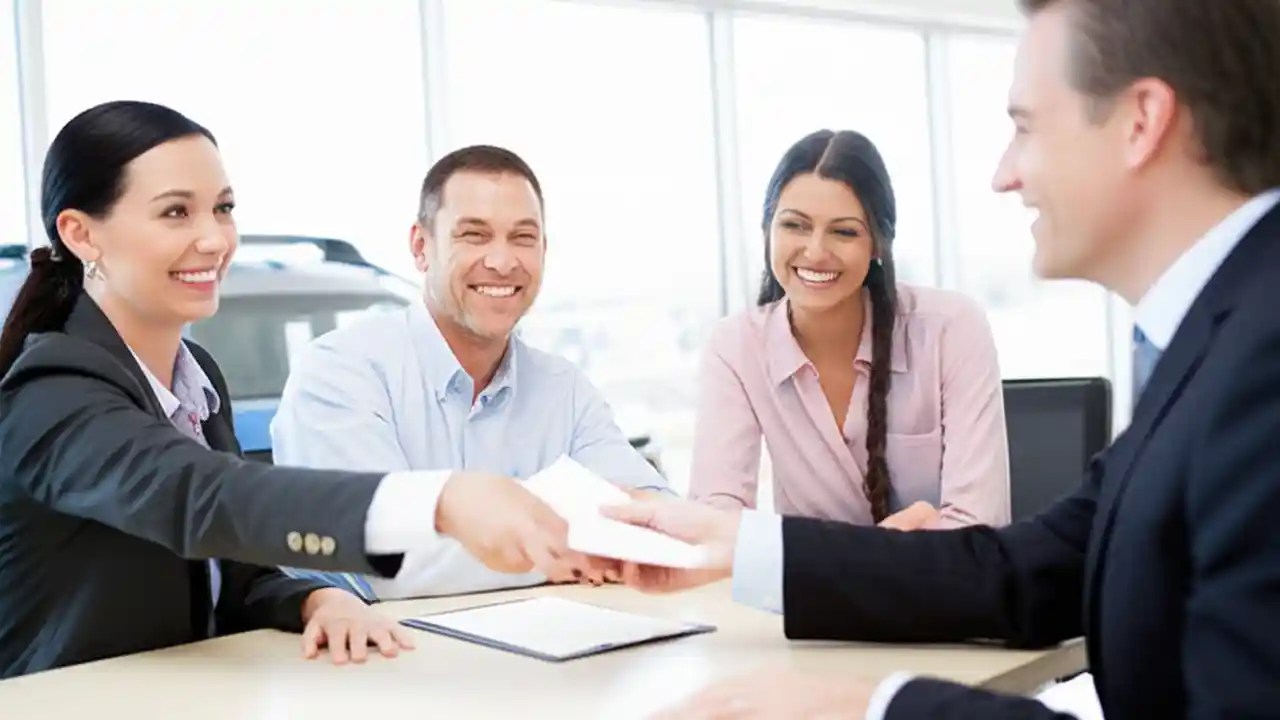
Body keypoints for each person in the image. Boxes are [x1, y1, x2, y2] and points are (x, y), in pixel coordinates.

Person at [603, 0, 1280, 717]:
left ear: (1141, 122)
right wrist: (743, 546)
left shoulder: (1261, 367)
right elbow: (1026, 572)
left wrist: (876, 709)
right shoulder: (1216, 345)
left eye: (1025, 127)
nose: (1003, 174)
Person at [0, 101, 599, 679]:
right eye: (176, 212)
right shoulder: (51, 390)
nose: (214, 239)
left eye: (224, 208)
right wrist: (440, 502)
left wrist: (313, 599)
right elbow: (202, 499)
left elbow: (231, 570)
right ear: (81, 234)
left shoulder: (195, 375)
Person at [270, 144, 667, 600]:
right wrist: (576, 544)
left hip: (547, 649)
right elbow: (386, 560)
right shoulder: (341, 372)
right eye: (474, 236)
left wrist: (590, 536)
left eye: (522, 237)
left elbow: (654, 514)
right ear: (422, 247)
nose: (502, 261)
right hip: (374, 659)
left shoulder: (564, 389)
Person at [690, 130, 1009, 530]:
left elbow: (978, 528)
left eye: (844, 232)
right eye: (795, 226)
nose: (815, 251)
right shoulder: (735, 346)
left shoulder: (951, 330)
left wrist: (822, 559)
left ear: (878, 243)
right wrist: (895, 543)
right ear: (768, 229)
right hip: (812, 592)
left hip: (937, 591)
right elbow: (714, 522)